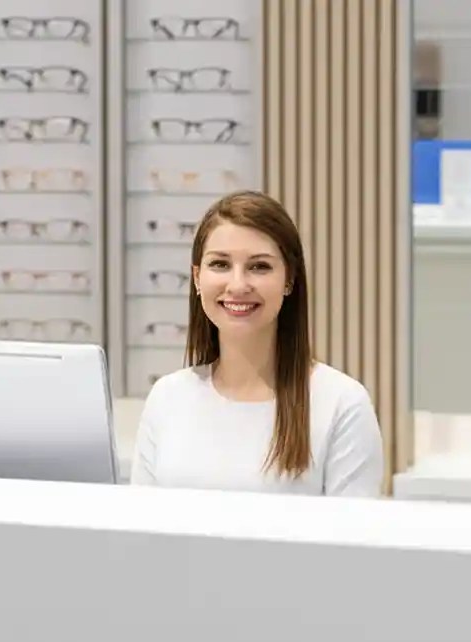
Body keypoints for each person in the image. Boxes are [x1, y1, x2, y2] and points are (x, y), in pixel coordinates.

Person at [130, 190, 386, 496]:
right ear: (197, 278)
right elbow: (141, 532)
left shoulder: (342, 404)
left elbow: (353, 540)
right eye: (220, 265)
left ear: (289, 278)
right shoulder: (167, 398)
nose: (237, 285)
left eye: (259, 267)